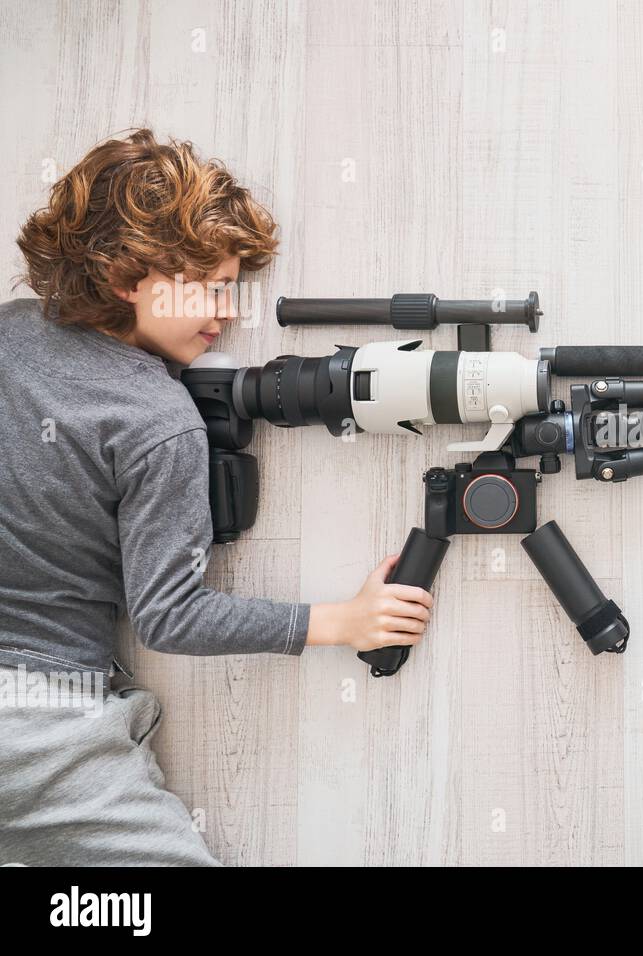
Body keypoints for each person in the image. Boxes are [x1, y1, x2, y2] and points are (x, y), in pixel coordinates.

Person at [0, 128, 432, 865]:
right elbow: (171, 616)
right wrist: (344, 620)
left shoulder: (9, 333)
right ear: (125, 275)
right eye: (208, 287)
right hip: (43, 723)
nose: (227, 312)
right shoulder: (157, 423)